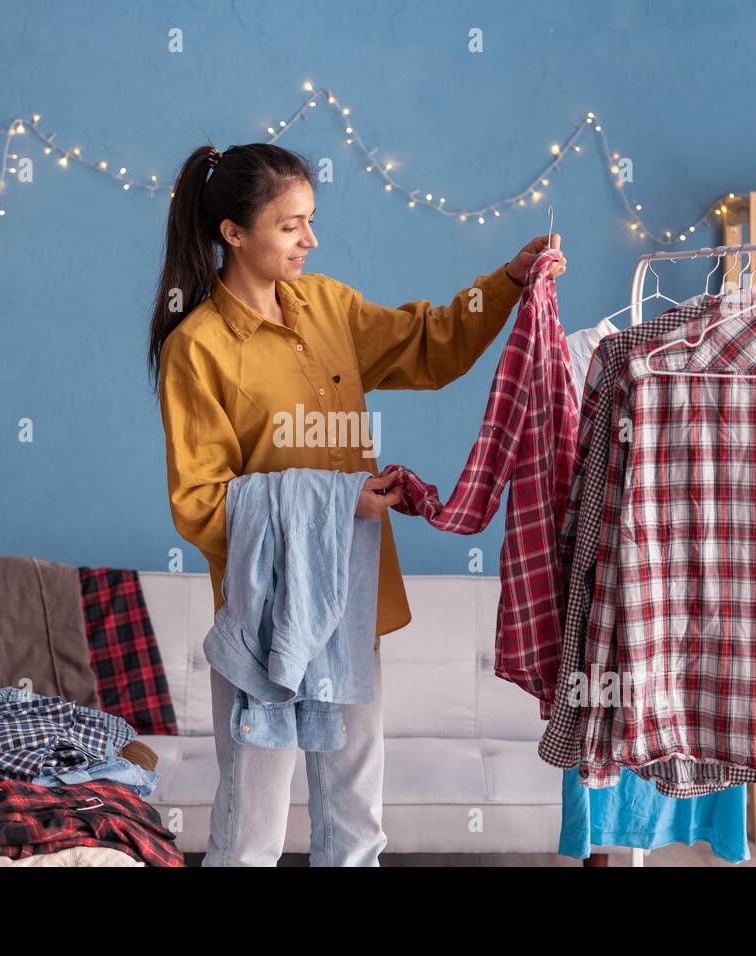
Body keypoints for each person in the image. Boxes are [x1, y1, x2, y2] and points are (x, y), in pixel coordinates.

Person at [148, 141, 565, 866]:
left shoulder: (328, 307)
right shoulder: (199, 348)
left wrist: (505, 281)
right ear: (234, 234)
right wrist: (340, 503)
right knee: (253, 826)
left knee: (356, 820)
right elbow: (200, 504)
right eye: (290, 225)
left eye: (310, 220)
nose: (311, 239)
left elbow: (431, 345)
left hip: (353, 603)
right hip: (263, 619)